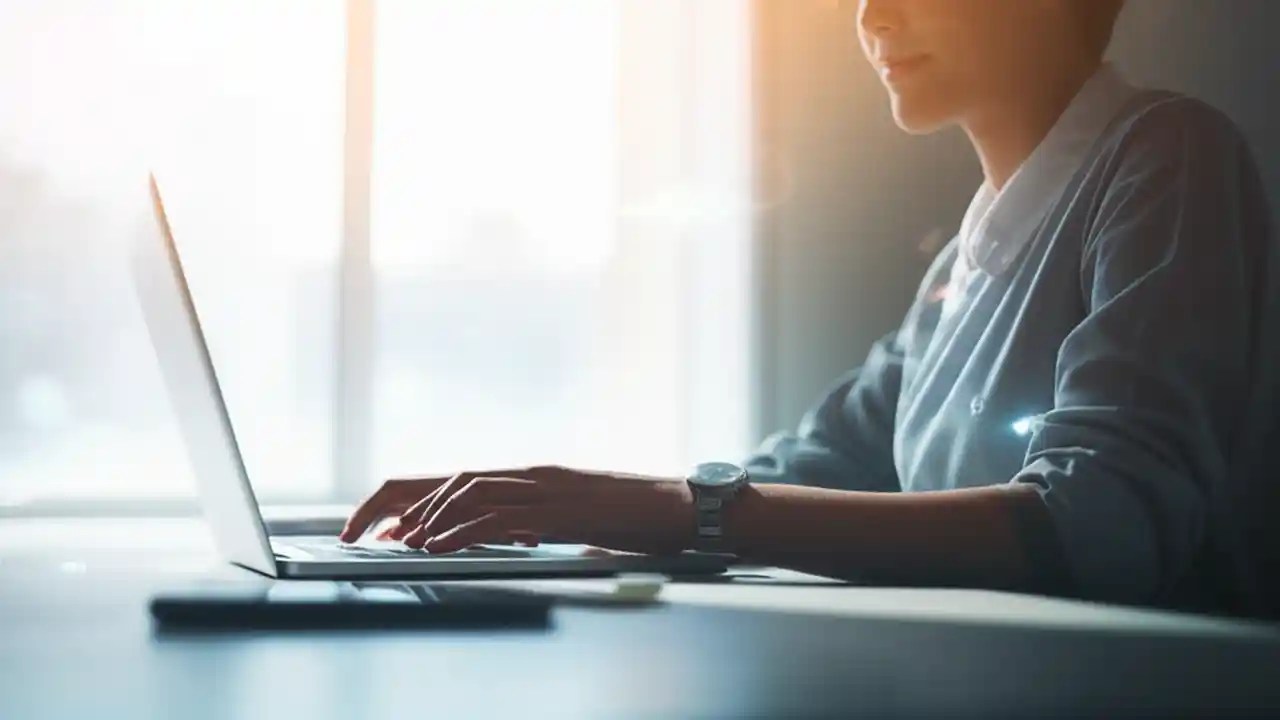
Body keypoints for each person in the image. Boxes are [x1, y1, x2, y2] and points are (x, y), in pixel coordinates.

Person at [340, 0, 1279, 616]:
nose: (872, 15)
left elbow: (1099, 525)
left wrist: (673, 512)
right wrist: (558, 518)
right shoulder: (968, 258)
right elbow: (810, 465)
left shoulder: (1169, 154)